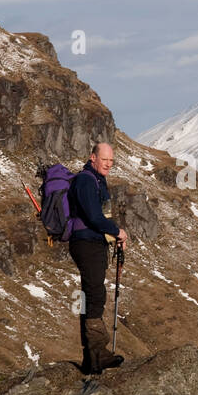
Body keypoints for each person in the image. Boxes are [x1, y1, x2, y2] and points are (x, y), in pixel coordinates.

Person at [68, 143, 128, 374]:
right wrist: (117, 232)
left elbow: (98, 215)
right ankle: (98, 355)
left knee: (91, 293)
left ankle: (90, 359)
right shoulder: (85, 180)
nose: (109, 164)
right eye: (105, 159)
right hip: (86, 243)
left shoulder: (96, 179)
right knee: (94, 295)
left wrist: (112, 235)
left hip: (93, 242)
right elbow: (93, 216)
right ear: (93, 157)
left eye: (111, 161)